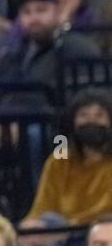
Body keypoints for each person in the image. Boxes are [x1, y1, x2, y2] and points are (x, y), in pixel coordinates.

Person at [24, 89, 112, 225]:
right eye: (84, 115)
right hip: (55, 230)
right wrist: (31, 224)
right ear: (72, 123)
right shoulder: (59, 160)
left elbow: (105, 212)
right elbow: (42, 208)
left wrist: (69, 227)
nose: (91, 121)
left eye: (99, 115)